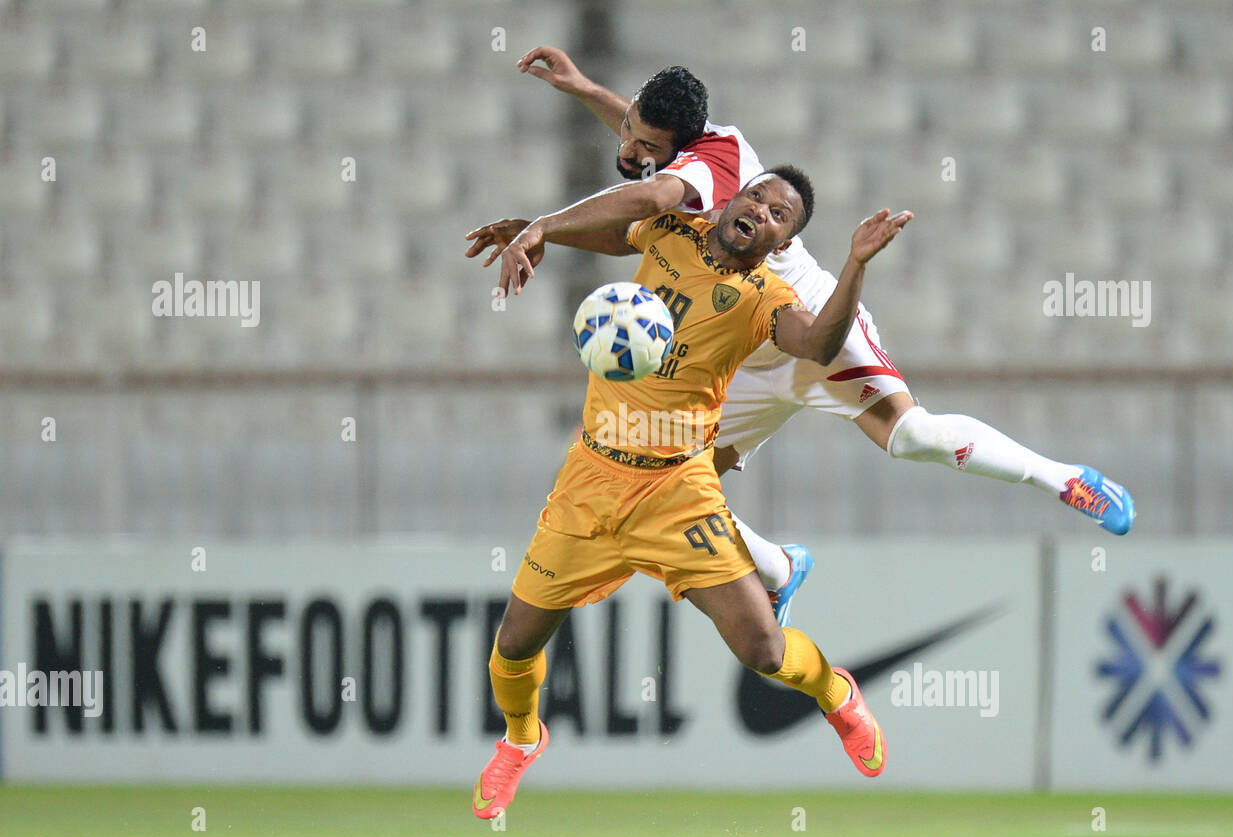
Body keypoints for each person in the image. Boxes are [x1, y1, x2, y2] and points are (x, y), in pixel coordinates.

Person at [466, 49, 1135, 627]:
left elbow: (646, 203)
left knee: (912, 437)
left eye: (644, 144)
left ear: (680, 145)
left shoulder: (701, 174)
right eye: (631, 130)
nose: (630, 151)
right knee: (671, 481)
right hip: (742, 346)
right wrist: (584, 90)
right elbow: (639, 160)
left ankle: (1066, 479)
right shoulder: (692, 141)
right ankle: (781, 569)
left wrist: (544, 226)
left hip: (807, 319)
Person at [469, 166, 912, 818]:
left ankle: (834, 691)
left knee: (762, 648)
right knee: (513, 644)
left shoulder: (765, 296)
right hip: (591, 481)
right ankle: (521, 738)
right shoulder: (670, 233)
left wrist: (856, 264)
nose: (761, 210)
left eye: (779, 215)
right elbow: (618, 231)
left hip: (679, 489)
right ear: (733, 198)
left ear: (779, 242)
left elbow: (818, 345)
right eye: (757, 195)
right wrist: (543, 232)